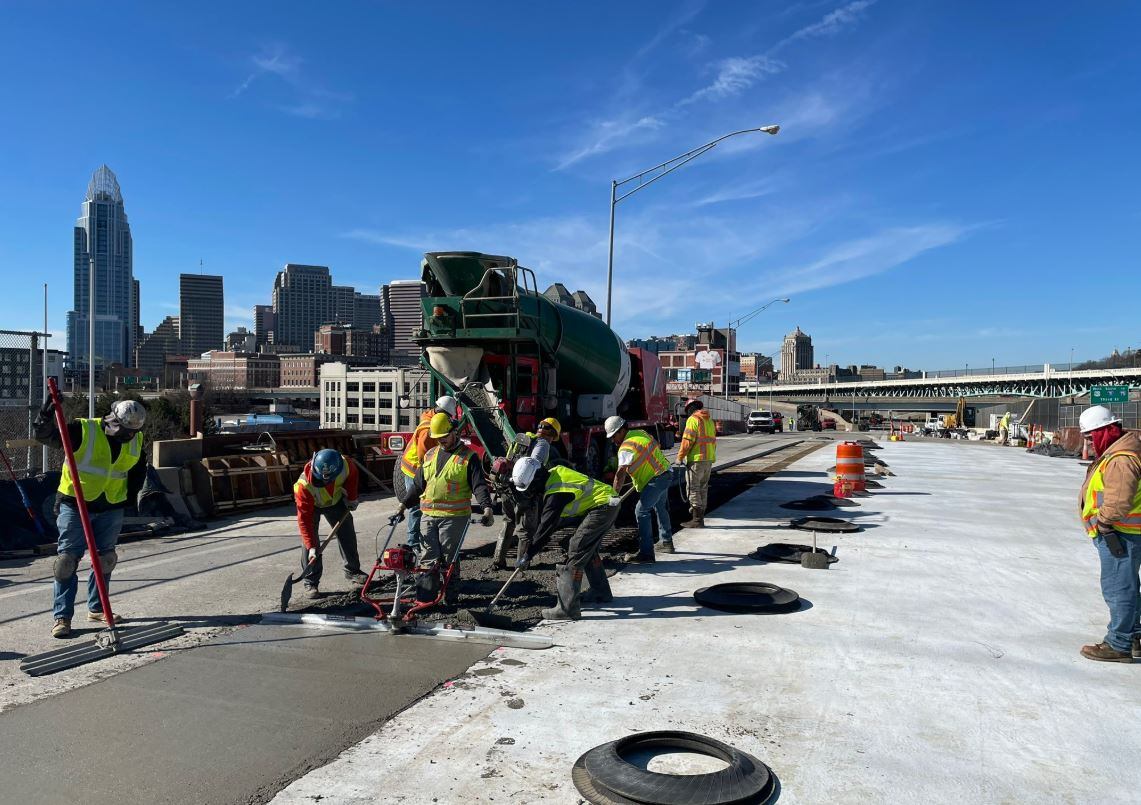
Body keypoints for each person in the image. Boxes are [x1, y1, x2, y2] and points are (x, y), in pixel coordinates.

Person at [34, 397, 148, 638]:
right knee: (66, 561)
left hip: (111, 504)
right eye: (124, 430)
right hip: (76, 503)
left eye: (131, 432)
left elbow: (138, 468)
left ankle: (97, 609)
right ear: (113, 420)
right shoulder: (84, 429)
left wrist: (130, 498)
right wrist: (44, 417)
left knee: (105, 558)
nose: (128, 436)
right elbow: (46, 437)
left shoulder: (136, 437)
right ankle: (62, 616)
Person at [397, 413, 494, 602]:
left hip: (454, 516)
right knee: (428, 558)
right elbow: (418, 484)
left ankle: (450, 599)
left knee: (449, 558)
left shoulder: (468, 457)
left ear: (454, 433)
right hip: (428, 516)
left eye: (444, 437)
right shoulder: (430, 455)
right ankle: (426, 599)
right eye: (437, 438)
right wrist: (403, 505)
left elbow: (479, 485)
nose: (441, 441)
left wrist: (487, 507)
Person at [512, 457, 621, 620]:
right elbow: (551, 524)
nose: (531, 492)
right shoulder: (555, 474)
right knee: (581, 546)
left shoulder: (556, 492)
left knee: (576, 547)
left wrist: (528, 555)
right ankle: (600, 591)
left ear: (535, 479)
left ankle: (567, 608)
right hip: (603, 503)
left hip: (603, 506)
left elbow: (545, 528)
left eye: (530, 488)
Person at [1076, 405, 1141, 663]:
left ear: (1105, 431)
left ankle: (1119, 644)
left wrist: (1103, 523)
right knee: (1129, 587)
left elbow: (1118, 502)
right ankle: (1133, 635)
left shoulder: (1121, 458)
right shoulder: (1121, 450)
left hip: (1120, 533)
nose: (1088, 442)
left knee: (1118, 589)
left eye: (1091, 436)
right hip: (1125, 531)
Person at [293, 449, 366, 599]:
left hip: (335, 502)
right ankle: (310, 582)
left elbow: (352, 477)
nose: (323, 482)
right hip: (312, 508)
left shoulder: (346, 465)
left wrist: (352, 498)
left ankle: (353, 571)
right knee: (310, 546)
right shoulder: (303, 486)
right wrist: (311, 546)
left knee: (347, 534)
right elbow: (304, 520)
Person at [493, 417, 562, 569]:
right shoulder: (543, 444)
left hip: (507, 487)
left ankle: (498, 560)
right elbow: (533, 465)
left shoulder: (522, 439)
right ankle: (521, 565)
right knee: (526, 530)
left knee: (508, 522)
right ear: (552, 434)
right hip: (525, 492)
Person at [394, 395, 459, 551]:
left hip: (413, 463)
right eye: (449, 416)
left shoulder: (430, 416)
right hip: (415, 468)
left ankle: (421, 542)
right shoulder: (427, 430)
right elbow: (426, 457)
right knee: (416, 506)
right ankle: (413, 544)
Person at [605, 415, 672, 562]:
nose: (613, 440)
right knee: (660, 507)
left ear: (622, 431)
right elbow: (656, 446)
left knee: (641, 511)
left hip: (656, 479)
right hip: (665, 473)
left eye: (614, 435)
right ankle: (666, 541)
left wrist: (614, 496)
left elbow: (620, 474)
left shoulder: (626, 447)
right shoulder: (640, 433)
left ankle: (646, 553)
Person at [676, 398, 716, 528]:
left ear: (690, 409)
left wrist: (680, 457)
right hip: (708, 459)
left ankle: (697, 520)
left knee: (693, 488)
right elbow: (713, 441)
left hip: (696, 461)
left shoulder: (693, 420)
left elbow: (687, 441)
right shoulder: (709, 420)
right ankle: (700, 517)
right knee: (703, 488)